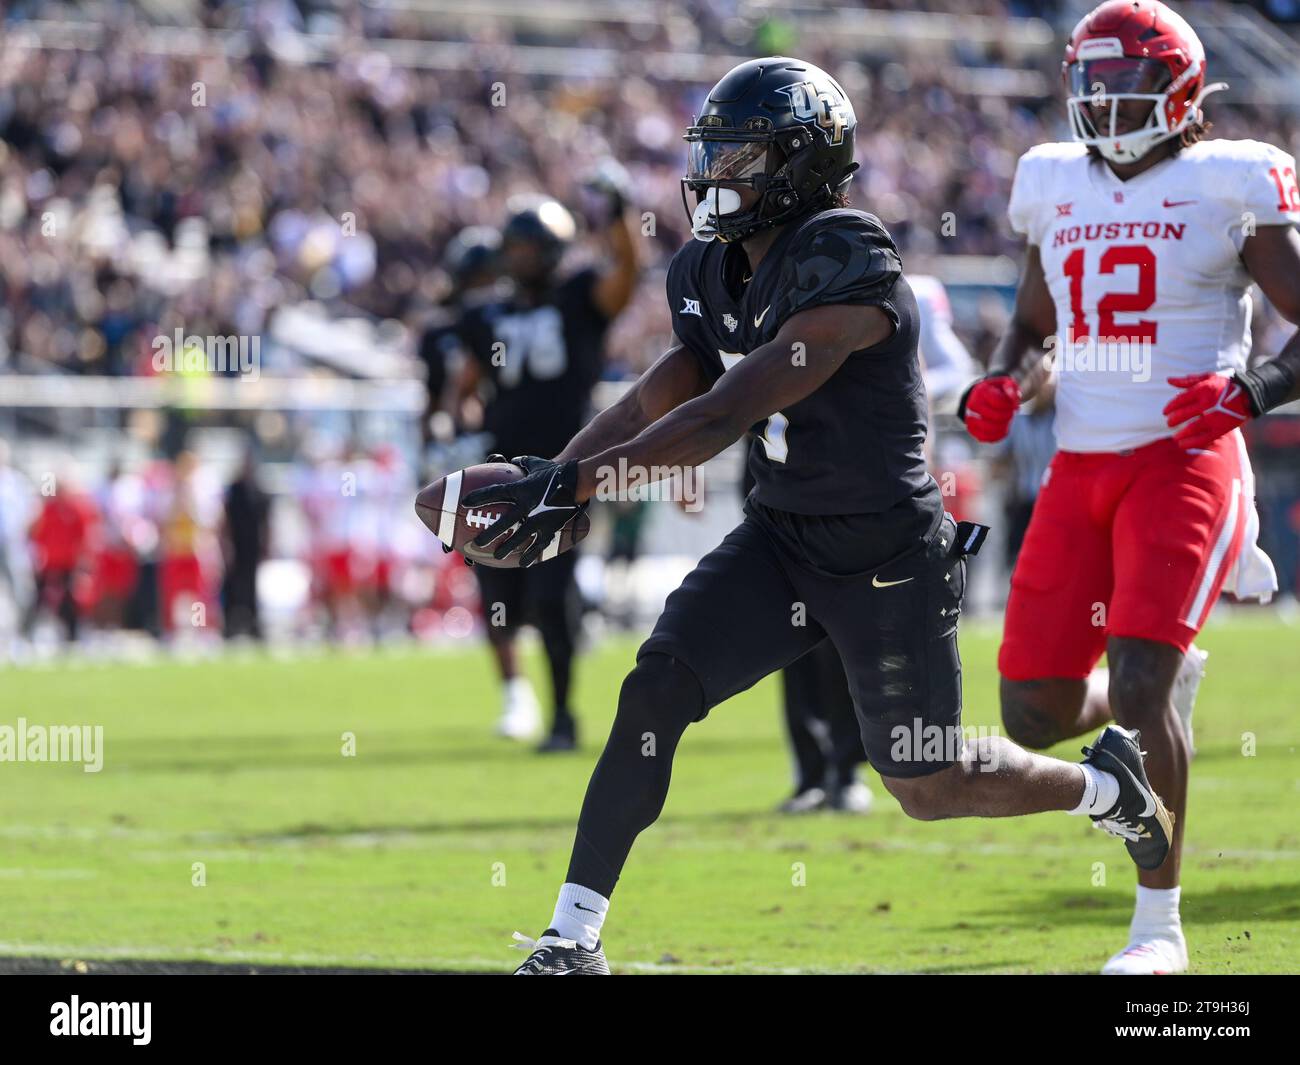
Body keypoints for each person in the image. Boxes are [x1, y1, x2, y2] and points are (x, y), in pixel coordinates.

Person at [455, 56, 1176, 975]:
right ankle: (571, 939)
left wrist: (580, 487)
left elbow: (722, 414)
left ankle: (1104, 786)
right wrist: (561, 470)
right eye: (712, 154)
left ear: (800, 164)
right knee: (654, 689)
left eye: (742, 157)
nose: (717, 177)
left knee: (928, 780)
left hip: (886, 553)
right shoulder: (707, 267)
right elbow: (659, 395)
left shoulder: (848, 256)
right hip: (781, 537)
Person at [957, 0, 1298, 973]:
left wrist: (1252, 390)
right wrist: (1004, 381)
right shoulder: (1050, 181)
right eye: (1094, 87)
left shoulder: (1230, 177)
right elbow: (1032, 325)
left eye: (1129, 86)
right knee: (1029, 709)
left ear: (1184, 91)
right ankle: (1156, 683)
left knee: (1139, 692)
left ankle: (1158, 931)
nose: (1108, 107)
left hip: (1182, 458)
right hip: (1078, 462)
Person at [452, 183, 640, 751]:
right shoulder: (487, 314)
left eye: (531, 247)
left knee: (551, 598)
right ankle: (519, 698)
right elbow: (466, 387)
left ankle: (562, 714)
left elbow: (625, 275)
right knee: (498, 594)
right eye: (515, 246)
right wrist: (455, 425)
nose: (520, 256)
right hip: (501, 469)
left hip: (565, 469)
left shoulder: (579, 294)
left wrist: (620, 215)